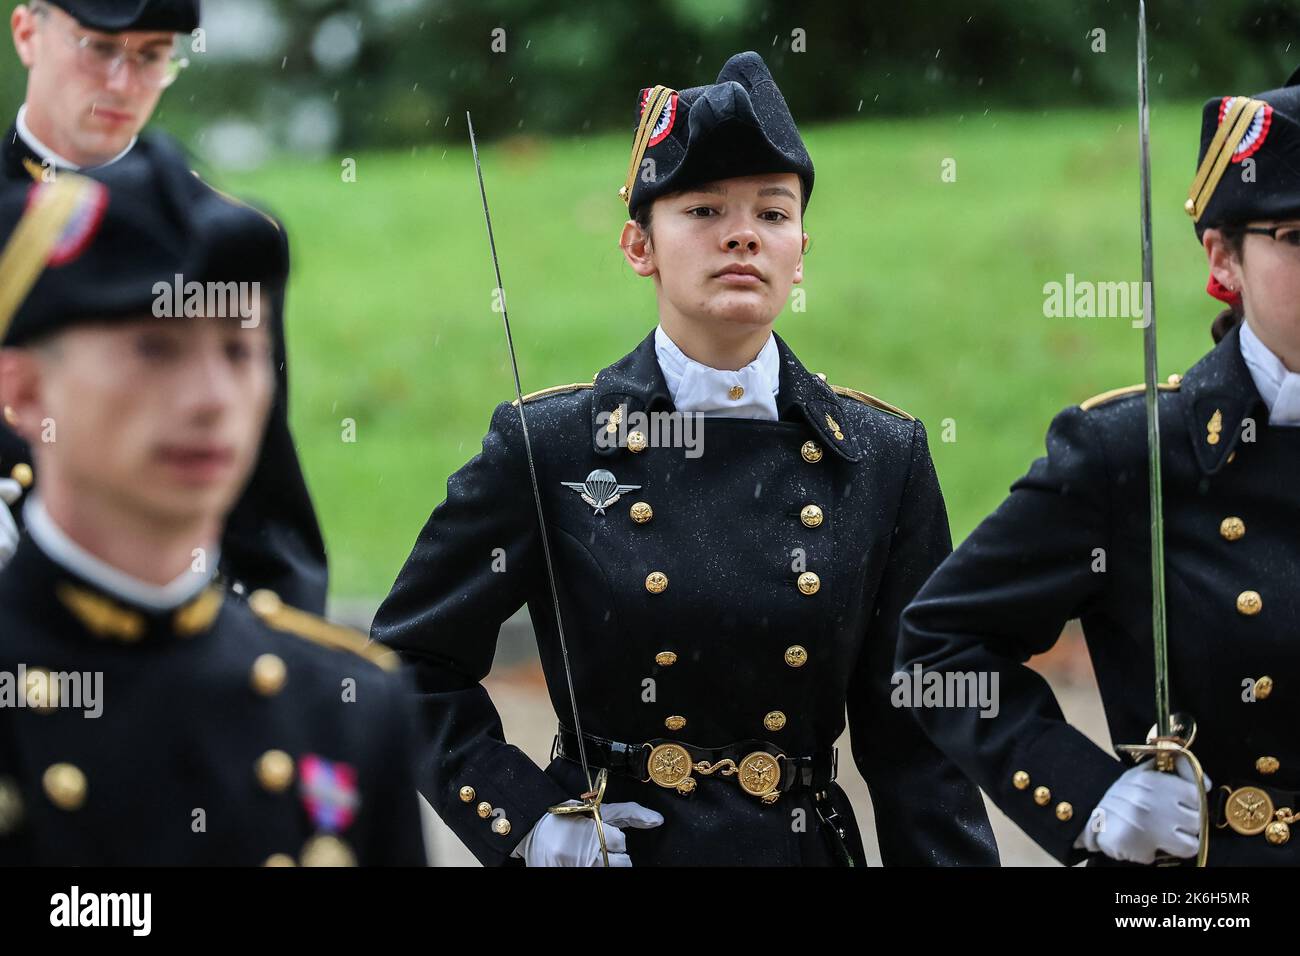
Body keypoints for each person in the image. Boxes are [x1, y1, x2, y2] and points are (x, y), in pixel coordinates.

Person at [372, 51, 999, 867]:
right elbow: (410, 661)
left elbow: (919, 740)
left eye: (773, 215)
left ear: (801, 251)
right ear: (640, 245)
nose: (743, 233)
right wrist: (529, 818)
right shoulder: (553, 444)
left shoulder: (880, 456)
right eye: (704, 210)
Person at [898, 70, 1300, 866]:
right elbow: (935, 654)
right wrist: (1089, 795)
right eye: (1297, 237)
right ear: (1223, 255)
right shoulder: (1130, 453)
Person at [0, 139, 425, 865]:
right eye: (154, 349)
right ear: (24, 390)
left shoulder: (344, 706)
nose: (212, 401)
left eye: (239, 350)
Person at [0, 0, 328, 613]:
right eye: (97, 47)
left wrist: (276, 673)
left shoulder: (222, 237)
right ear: (27, 32)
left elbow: (263, 499)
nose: (122, 83)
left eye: (151, 56)